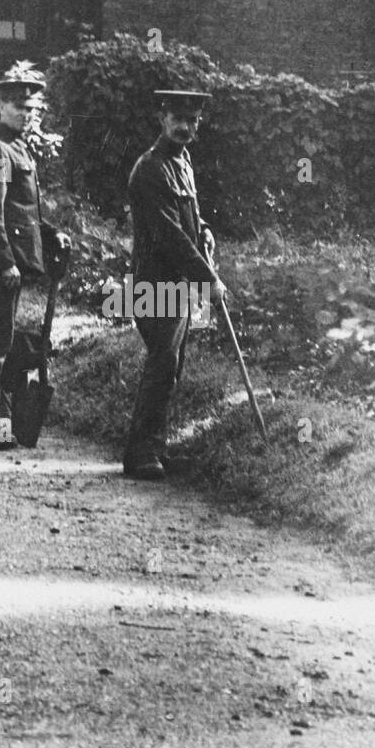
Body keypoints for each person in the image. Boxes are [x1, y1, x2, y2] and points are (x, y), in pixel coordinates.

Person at [0, 65, 70, 450]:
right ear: (0, 106)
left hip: (7, 258)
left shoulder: (17, 149)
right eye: (18, 106)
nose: (26, 114)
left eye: (31, 108)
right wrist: (6, 261)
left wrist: (52, 233)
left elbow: (23, 211)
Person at [122, 89, 227, 481]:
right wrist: (209, 278)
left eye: (192, 121)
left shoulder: (183, 163)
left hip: (181, 285)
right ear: (162, 119)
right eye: (177, 119)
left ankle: (155, 448)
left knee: (173, 366)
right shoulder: (150, 168)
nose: (185, 127)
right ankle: (140, 454)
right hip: (154, 283)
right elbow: (168, 234)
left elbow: (187, 222)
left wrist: (204, 230)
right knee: (163, 361)